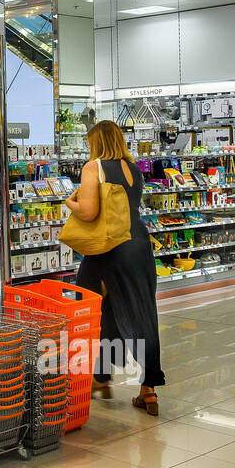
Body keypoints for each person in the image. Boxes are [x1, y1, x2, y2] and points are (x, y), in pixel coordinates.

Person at [64, 120, 166, 415]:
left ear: (96, 142)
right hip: (137, 245)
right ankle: (147, 389)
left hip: (107, 248)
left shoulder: (92, 167)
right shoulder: (133, 168)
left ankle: (98, 376)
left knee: (89, 309)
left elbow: (89, 210)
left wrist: (70, 202)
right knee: (141, 313)